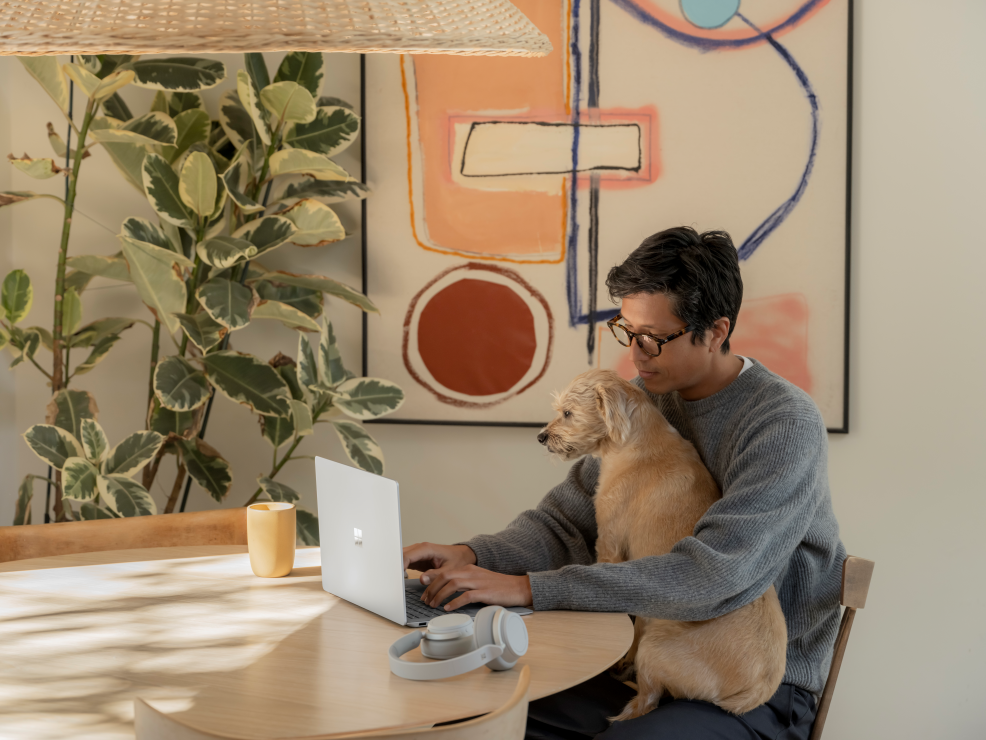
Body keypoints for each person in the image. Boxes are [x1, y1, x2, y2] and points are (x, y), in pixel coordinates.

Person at [402, 226, 845, 740]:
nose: (636, 354)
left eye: (654, 338)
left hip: (750, 685)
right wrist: (474, 556)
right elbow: (565, 522)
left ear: (717, 331)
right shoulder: (640, 402)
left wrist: (529, 588)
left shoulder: (782, 424)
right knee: (476, 706)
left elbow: (715, 576)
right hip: (637, 660)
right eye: (626, 331)